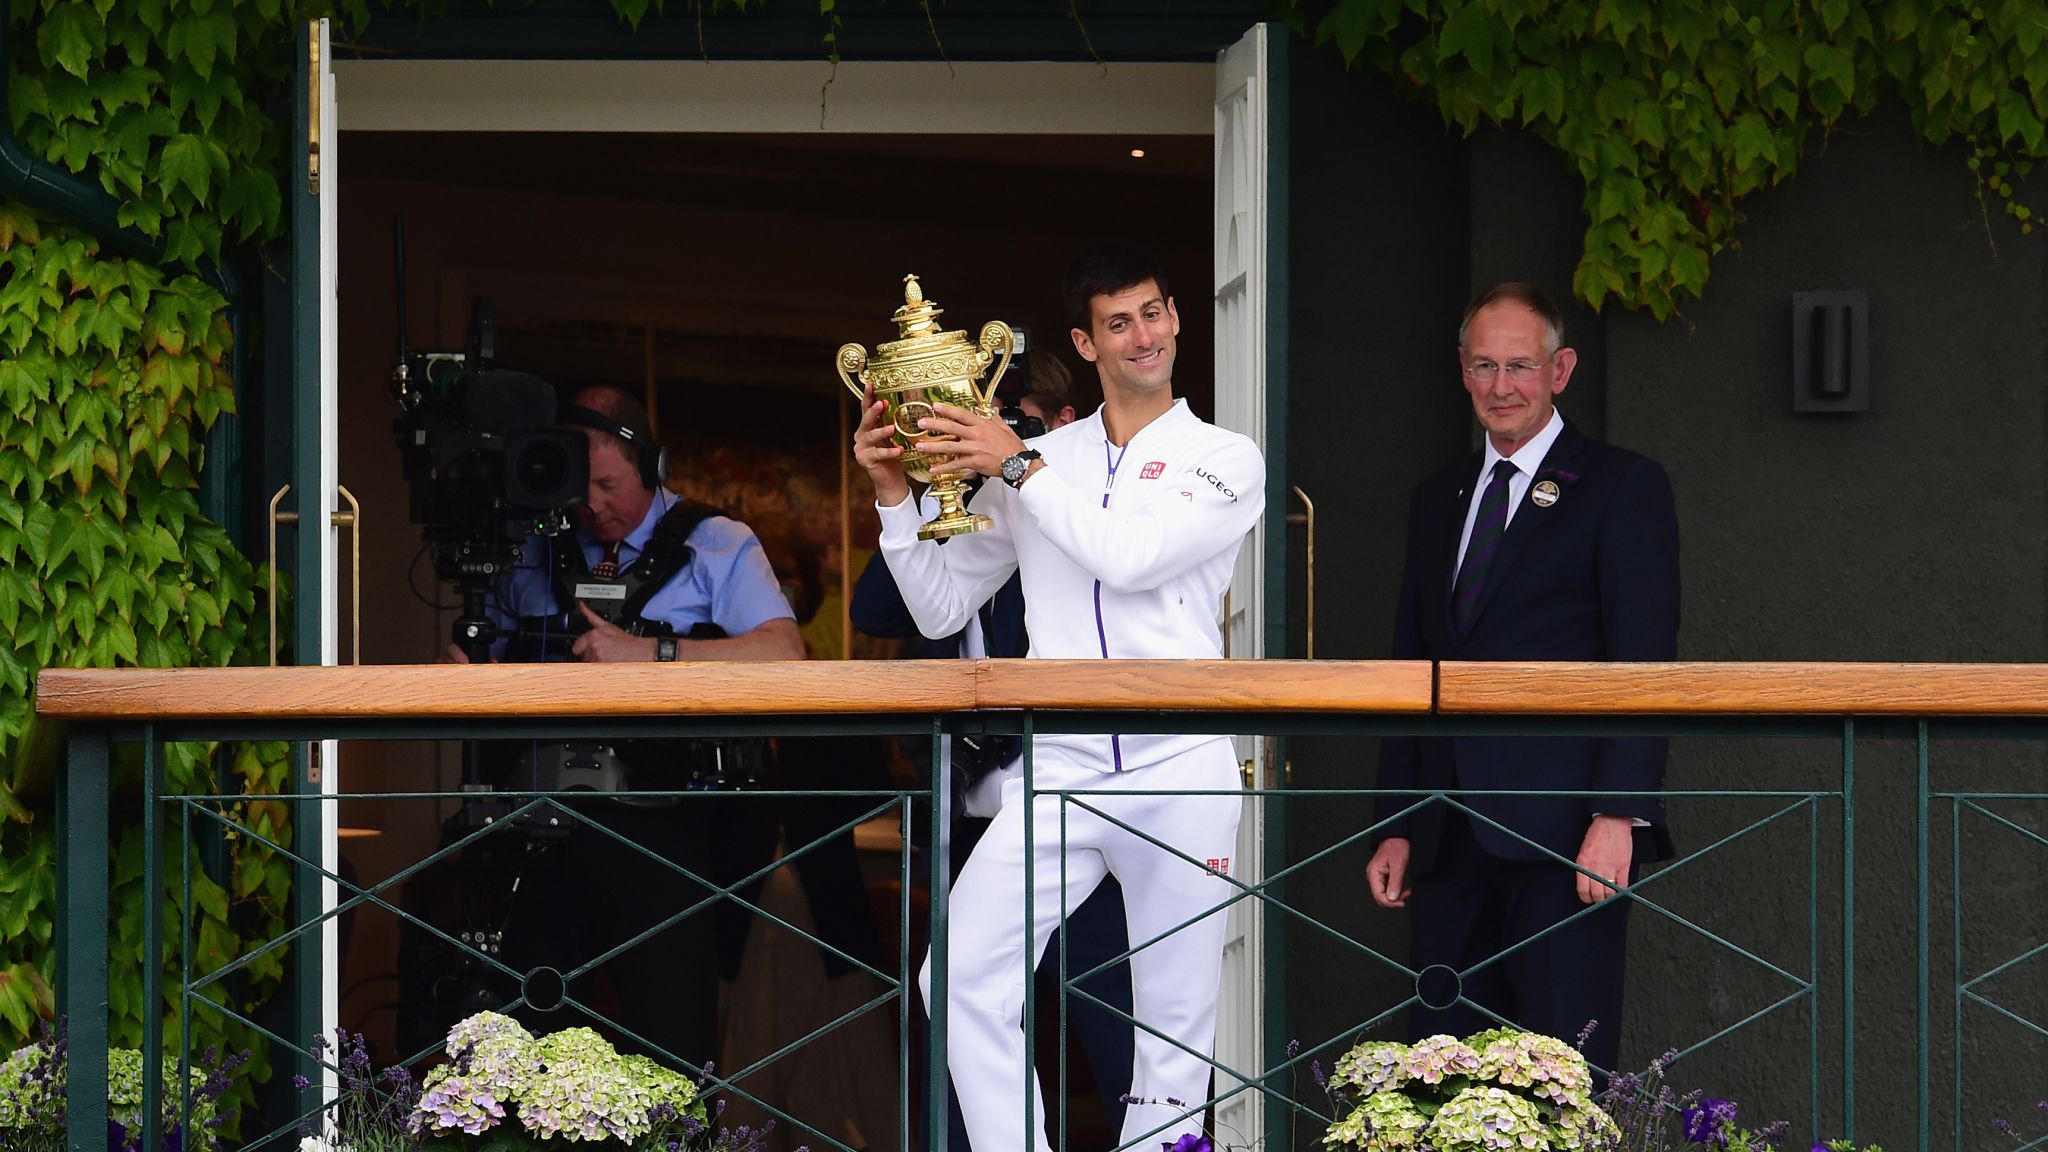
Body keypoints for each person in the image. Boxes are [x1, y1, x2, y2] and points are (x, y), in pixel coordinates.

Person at [852, 247, 1265, 1152]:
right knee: (956, 978)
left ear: (1176, 319)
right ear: (1087, 343)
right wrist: (893, 500)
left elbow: (1133, 558)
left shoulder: (1225, 456)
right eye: (1119, 323)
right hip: (1062, 763)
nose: (1143, 336)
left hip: (1179, 761)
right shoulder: (1040, 459)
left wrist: (1017, 468)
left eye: (1153, 313)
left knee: (1171, 1029)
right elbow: (939, 607)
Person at [1364, 282, 1679, 1076]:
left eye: (1520, 366)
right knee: (1443, 1071)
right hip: (1446, 833)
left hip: (1564, 836)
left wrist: (1619, 813)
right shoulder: (1438, 497)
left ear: (1560, 370)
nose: (1500, 386)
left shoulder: (1621, 486)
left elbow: (1644, 662)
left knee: (1560, 1071)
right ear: (1463, 371)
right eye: (1484, 366)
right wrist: (1396, 820)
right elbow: (1412, 663)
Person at [446, 383, 803, 1069]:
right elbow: (480, 661)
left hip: (663, 824)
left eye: (609, 485)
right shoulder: (532, 547)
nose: (592, 505)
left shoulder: (718, 543)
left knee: (674, 1050)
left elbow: (785, 654)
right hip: (537, 825)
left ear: (653, 467)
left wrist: (653, 654)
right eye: (578, 487)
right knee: (521, 1051)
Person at [848, 351, 1136, 1151]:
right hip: (968, 816)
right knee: (960, 1015)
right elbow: (880, 610)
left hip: (1076, 807)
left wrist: (1019, 472)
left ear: (1064, 424)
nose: (981, 435)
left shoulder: (1077, 504)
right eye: (965, 420)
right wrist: (925, 483)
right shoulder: (961, 510)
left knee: (1113, 1020)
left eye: (1008, 420)